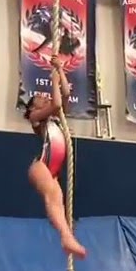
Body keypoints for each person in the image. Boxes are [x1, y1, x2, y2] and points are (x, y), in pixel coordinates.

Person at [21, 56, 86, 259]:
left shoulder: (57, 118)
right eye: (39, 97)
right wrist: (54, 82)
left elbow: (65, 95)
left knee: (59, 202)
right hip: (41, 166)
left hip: (53, 170)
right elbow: (57, 102)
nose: (43, 96)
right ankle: (66, 237)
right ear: (32, 108)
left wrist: (60, 69)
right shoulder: (36, 118)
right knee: (52, 196)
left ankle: (66, 237)